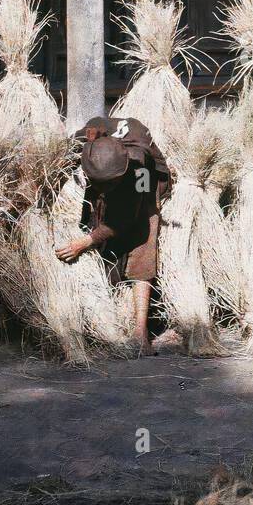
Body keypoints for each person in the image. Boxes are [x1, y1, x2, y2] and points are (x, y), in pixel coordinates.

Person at [55, 115, 171, 357]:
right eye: (99, 184)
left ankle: (141, 333)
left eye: (110, 185)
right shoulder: (85, 137)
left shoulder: (139, 167)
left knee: (142, 239)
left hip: (148, 188)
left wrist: (83, 243)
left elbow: (124, 219)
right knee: (98, 226)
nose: (104, 191)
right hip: (111, 170)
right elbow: (60, 161)